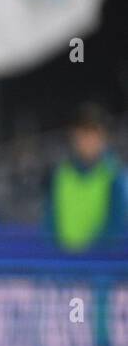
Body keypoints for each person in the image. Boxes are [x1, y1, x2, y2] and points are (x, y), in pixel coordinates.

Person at [46, 104, 126, 253]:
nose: (88, 141)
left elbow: (116, 225)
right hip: (64, 266)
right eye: (83, 134)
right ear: (73, 136)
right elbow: (50, 221)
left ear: (104, 136)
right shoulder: (60, 174)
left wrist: (91, 253)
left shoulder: (115, 176)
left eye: (93, 134)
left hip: (101, 266)